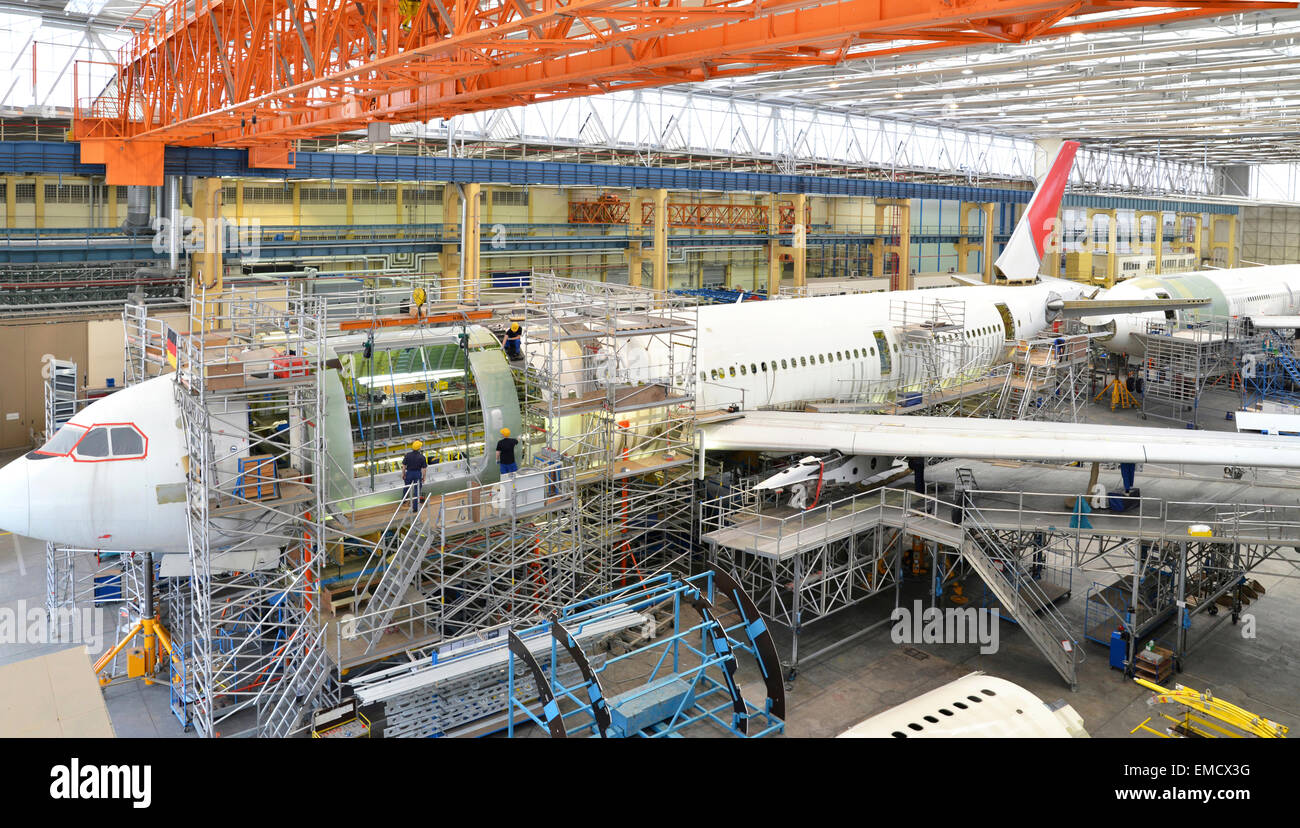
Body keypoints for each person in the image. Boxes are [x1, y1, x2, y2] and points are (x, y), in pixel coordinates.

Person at [402, 439, 428, 513]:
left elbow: (403, 466)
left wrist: (403, 474)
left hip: (409, 473)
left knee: (406, 487)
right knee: (417, 490)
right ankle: (415, 508)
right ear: (419, 448)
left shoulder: (407, 455)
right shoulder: (422, 457)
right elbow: (424, 469)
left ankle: (403, 501)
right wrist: (424, 477)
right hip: (417, 474)